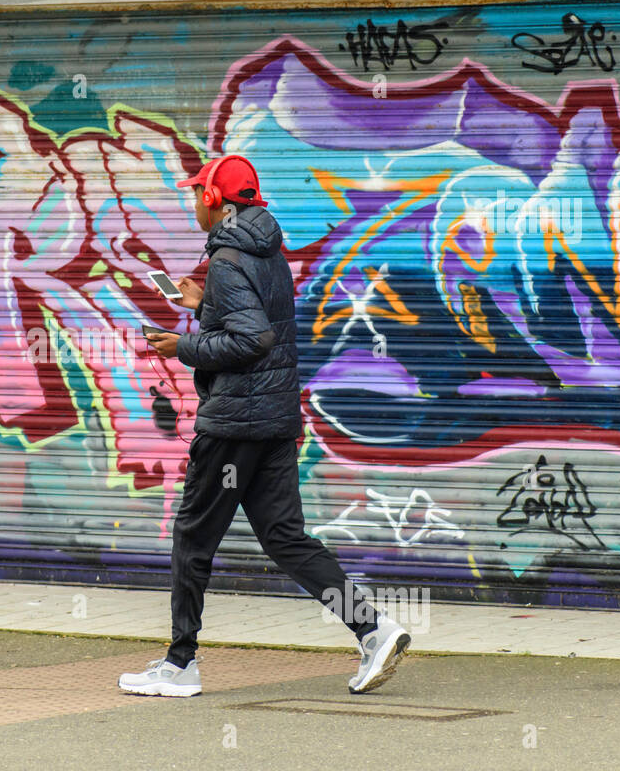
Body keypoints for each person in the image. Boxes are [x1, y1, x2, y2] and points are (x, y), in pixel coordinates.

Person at [118, 154, 410, 698]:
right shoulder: (269, 252)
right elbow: (256, 323)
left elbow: (254, 340)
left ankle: (180, 663)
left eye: (196, 194)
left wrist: (182, 344)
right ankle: (374, 629)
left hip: (235, 424)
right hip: (274, 418)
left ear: (214, 199)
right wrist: (203, 306)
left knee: (192, 537)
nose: (192, 204)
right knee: (284, 537)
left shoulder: (229, 258)